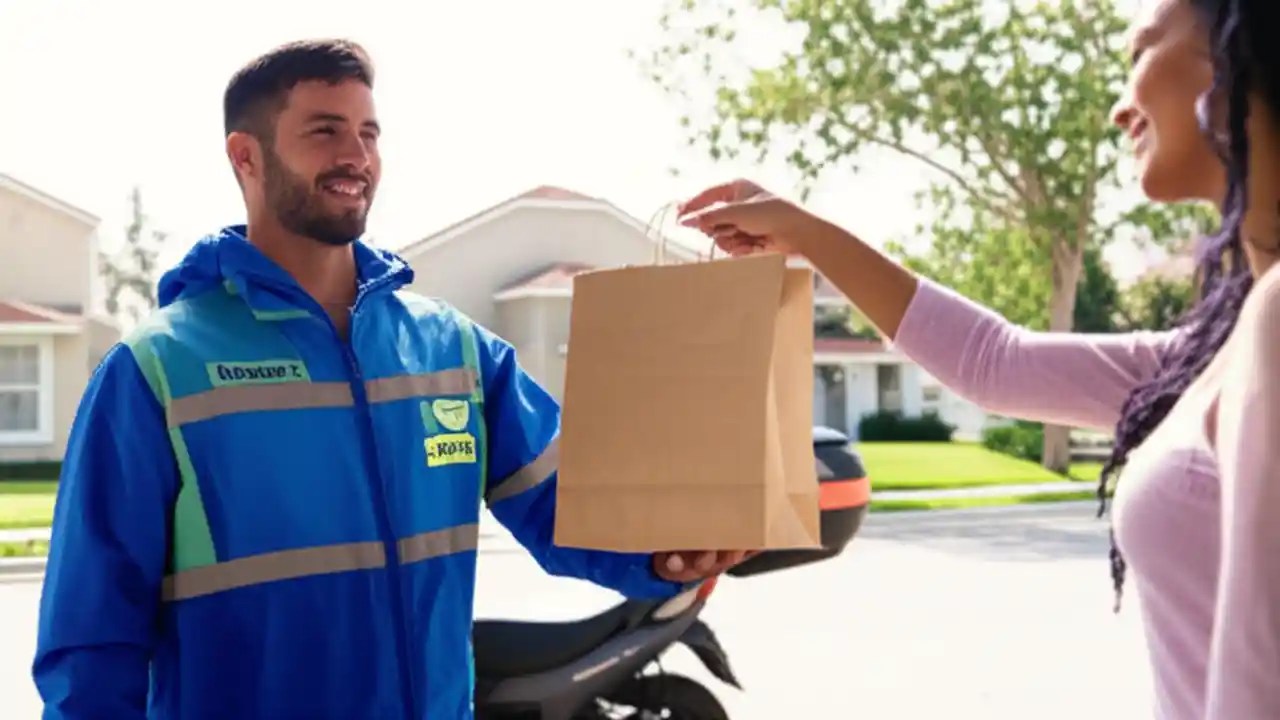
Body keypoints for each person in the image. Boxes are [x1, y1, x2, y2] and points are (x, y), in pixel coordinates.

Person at [32, 39, 746, 720]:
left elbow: (576, 504)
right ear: (245, 157)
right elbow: (91, 637)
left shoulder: (452, 350)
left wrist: (668, 552)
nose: (357, 156)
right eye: (325, 130)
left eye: (370, 133)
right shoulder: (155, 371)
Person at [679, 0, 1279, 718]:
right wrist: (804, 233)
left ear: (1244, 49)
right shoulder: (1219, 346)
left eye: (1141, 53)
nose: (1120, 108)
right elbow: (993, 361)